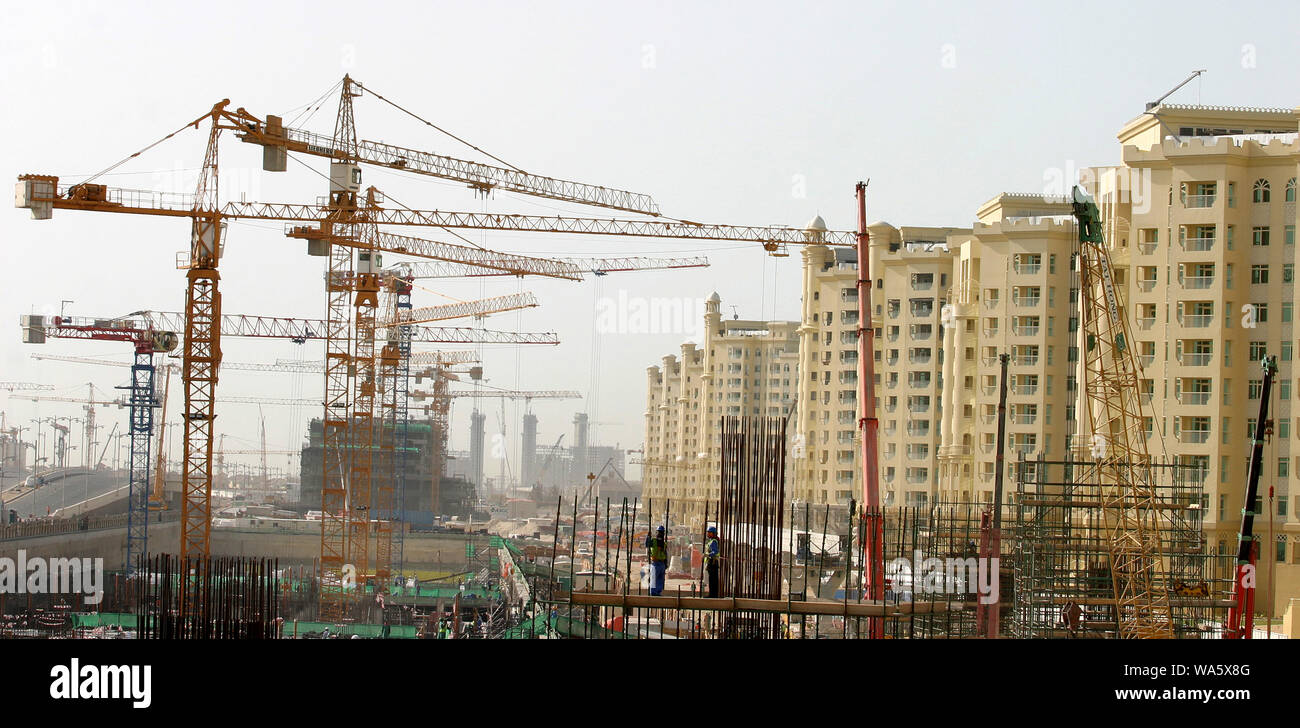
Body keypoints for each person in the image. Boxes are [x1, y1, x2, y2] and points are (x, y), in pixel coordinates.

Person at [645, 525, 668, 596]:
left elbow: (665, 554)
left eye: (661, 532)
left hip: (661, 564)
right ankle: (653, 593)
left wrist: (666, 563)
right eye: (659, 532)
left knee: (660, 579)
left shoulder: (664, 544)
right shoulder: (654, 541)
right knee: (654, 579)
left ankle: (658, 592)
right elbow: (647, 544)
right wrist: (648, 537)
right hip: (655, 563)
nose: (660, 534)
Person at [703, 525, 721, 598]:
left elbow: (715, 552)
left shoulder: (713, 541)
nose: (708, 534)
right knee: (712, 579)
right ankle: (713, 594)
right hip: (712, 562)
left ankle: (713, 595)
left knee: (713, 580)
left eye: (709, 533)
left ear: (713, 533)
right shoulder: (711, 541)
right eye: (708, 532)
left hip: (713, 562)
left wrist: (707, 555)